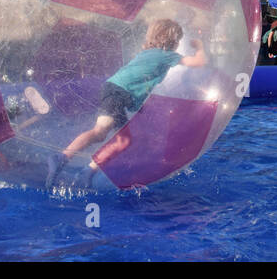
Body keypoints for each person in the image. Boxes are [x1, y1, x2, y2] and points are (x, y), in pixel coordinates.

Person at [46, 18, 207, 186]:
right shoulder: (167, 56)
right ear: (172, 40)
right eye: (178, 40)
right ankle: (61, 158)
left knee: (123, 140)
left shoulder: (148, 53)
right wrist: (200, 47)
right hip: (119, 92)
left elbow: (140, 77)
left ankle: (87, 171)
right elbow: (199, 62)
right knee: (100, 131)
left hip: (115, 89)